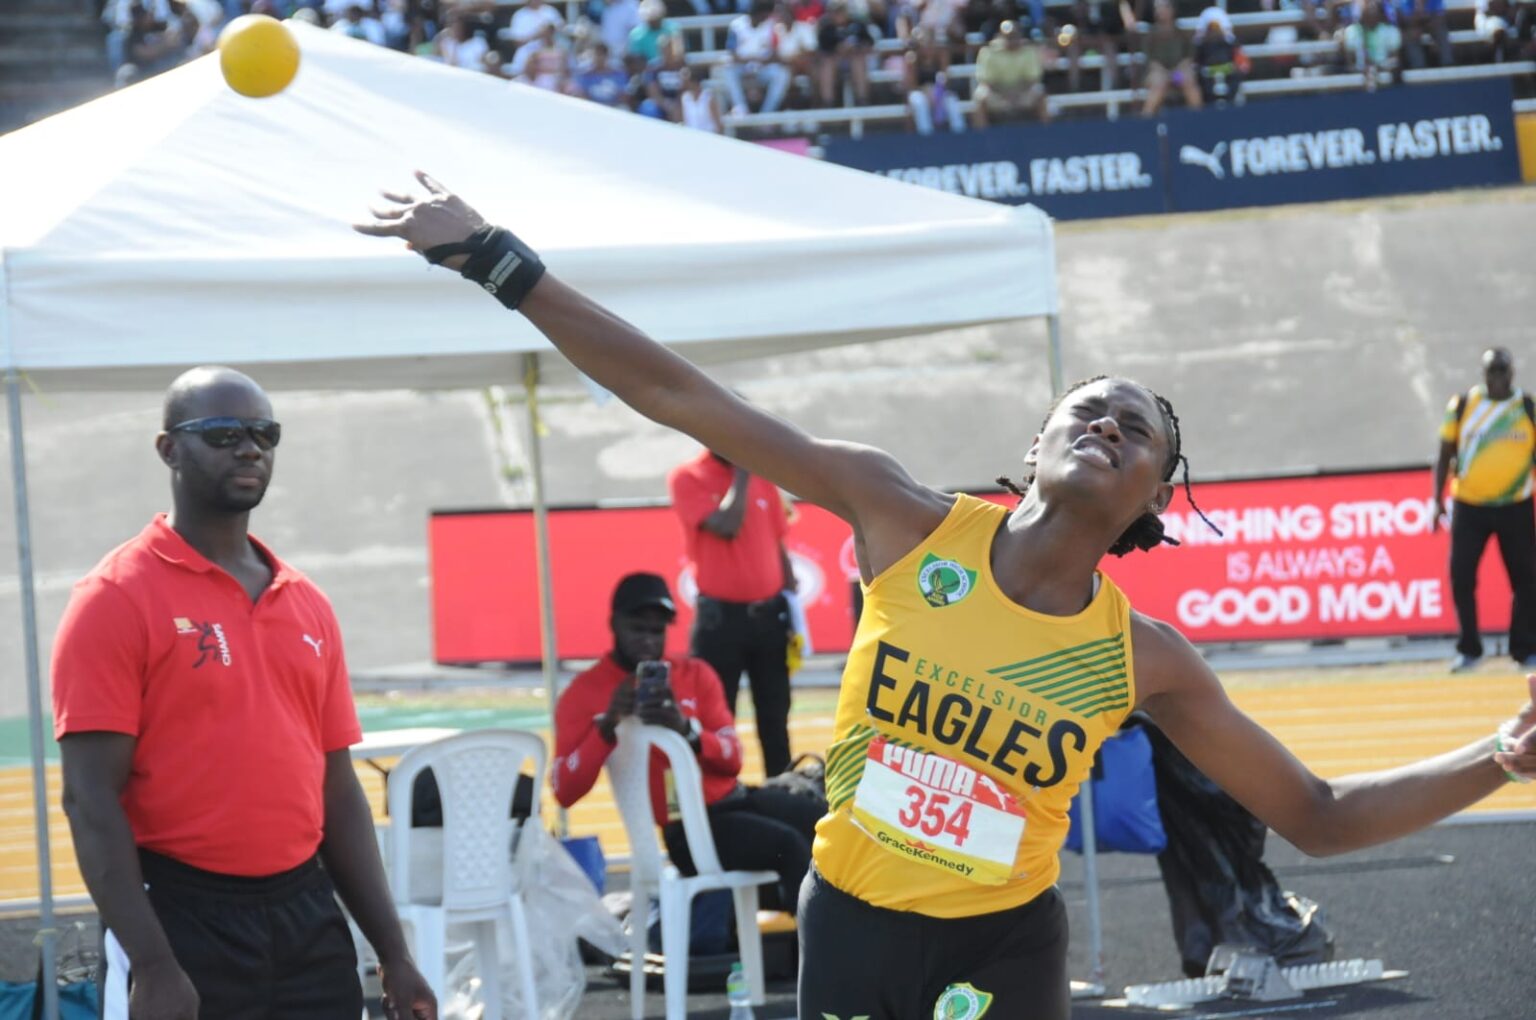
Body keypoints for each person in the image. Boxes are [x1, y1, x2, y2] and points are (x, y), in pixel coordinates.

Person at [356, 172, 1536, 1020]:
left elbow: (1320, 815)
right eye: (1091, 408)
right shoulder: (899, 518)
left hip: (1008, 951)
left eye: (1143, 431)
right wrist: (498, 261)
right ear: (1035, 447)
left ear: (1148, 507)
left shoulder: (1149, 658)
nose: (1113, 424)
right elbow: (681, 395)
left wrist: (1505, 754)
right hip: (854, 925)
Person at [53, 367, 436, 1020]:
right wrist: (153, 963)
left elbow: (336, 790)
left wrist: (393, 953)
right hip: (180, 919)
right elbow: (89, 799)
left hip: (306, 916)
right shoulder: (115, 597)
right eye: (223, 433)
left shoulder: (306, 602)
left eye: (264, 433)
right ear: (169, 449)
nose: (250, 448)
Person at [549, 573, 824, 913]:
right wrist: (606, 727)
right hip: (684, 827)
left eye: (657, 631)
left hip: (734, 799)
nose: (648, 641)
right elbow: (565, 790)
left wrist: (686, 731)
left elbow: (733, 759)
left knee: (826, 823)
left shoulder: (695, 675)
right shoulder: (586, 693)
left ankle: (799, 937)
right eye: (638, 628)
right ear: (615, 624)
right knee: (790, 848)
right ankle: (806, 958)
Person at [668, 446, 797, 777]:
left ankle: (783, 793)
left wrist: (790, 597)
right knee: (716, 719)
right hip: (720, 623)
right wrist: (742, 472)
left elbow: (777, 540)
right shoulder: (689, 477)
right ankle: (719, 801)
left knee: (775, 717)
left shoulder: (763, 476)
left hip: (769, 617)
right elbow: (726, 525)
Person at [1431, 347, 1536, 673]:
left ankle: (1525, 649)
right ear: (1484, 374)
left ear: (1511, 374)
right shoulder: (1464, 406)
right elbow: (1445, 452)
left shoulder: (1526, 408)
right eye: (1492, 372)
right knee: (1461, 576)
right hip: (1470, 505)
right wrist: (1436, 499)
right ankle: (1469, 649)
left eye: (1502, 372)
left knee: (1526, 579)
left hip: (1515, 505)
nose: (1497, 378)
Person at [970, 19, 1050, 128]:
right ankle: (981, 138)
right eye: (1008, 37)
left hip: (1022, 92)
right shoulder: (989, 52)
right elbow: (987, 81)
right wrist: (1005, 94)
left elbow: (1032, 79)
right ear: (1001, 36)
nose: (1012, 40)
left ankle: (1044, 133)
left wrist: (1016, 93)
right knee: (980, 97)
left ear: (1020, 35)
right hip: (997, 93)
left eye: (1014, 36)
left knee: (1039, 93)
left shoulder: (1029, 51)